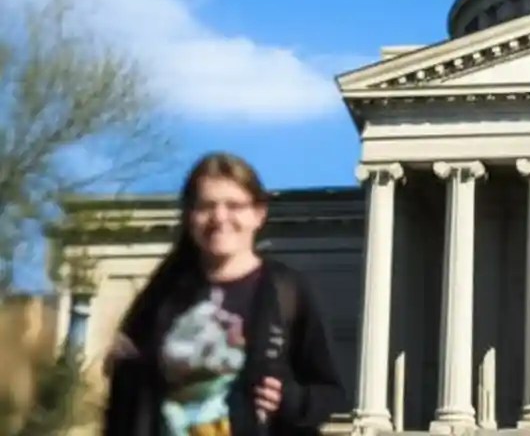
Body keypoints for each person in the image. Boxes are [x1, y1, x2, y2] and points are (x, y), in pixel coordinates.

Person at [102, 152, 348, 436]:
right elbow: (125, 404)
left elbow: (330, 393)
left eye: (234, 205)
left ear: (259, 213)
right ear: (189, 216)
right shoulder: (162, 296)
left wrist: (290, 400)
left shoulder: (287, 291)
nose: (219, 218)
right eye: (206, 206)